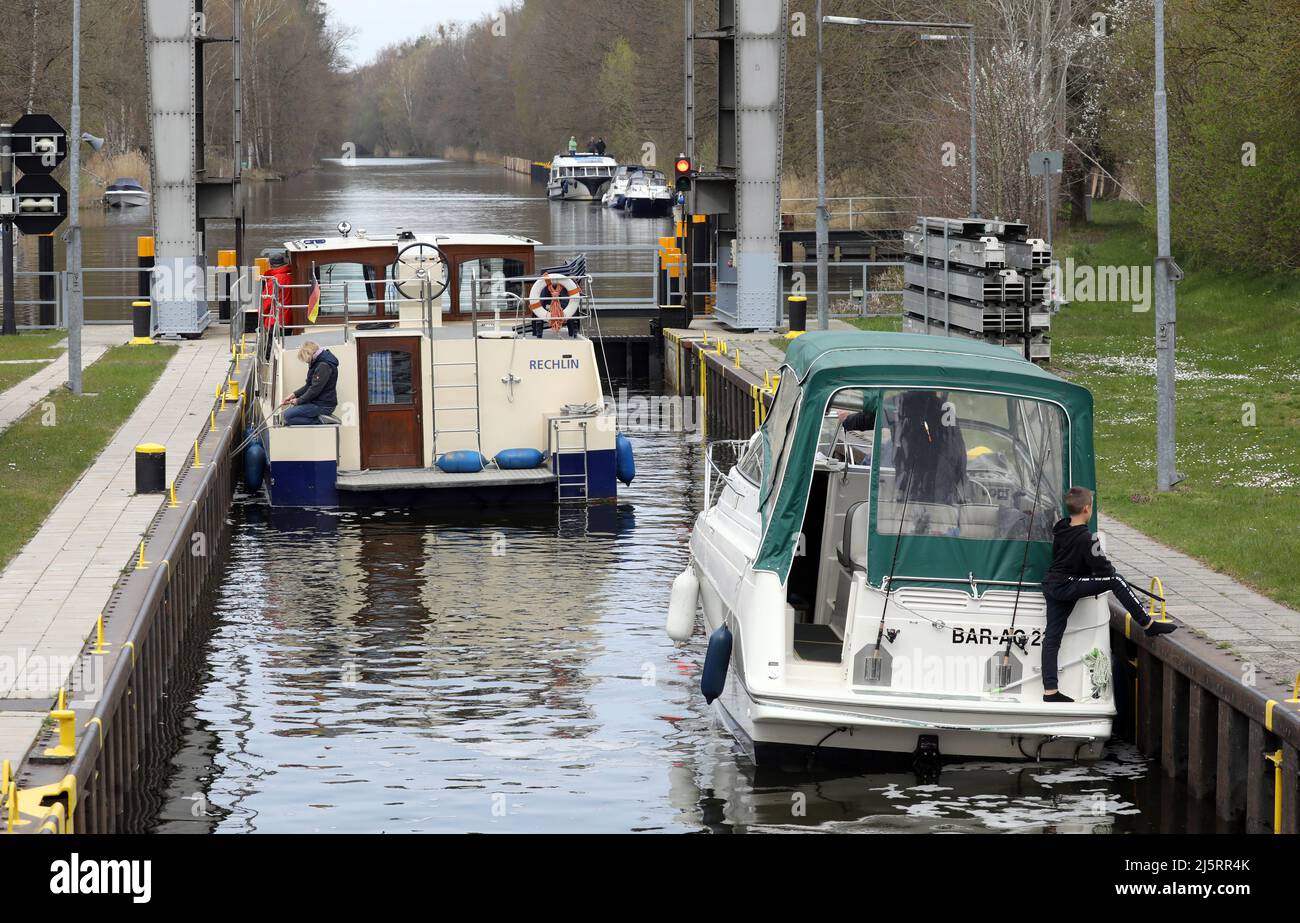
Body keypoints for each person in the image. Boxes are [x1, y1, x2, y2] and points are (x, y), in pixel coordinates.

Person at [1041, 486, 1177, 703]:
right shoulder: (1088, 538)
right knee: (1116, 580)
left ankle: (1050, 691)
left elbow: (1065, 557)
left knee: (1052, 638)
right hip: (1068, 585)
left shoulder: (1061, 528)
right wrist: (1107, 572)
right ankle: (1148, 625)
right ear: (1087, 509)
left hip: (1052, 585)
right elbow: (1104, 570)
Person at [281, 341, 339, 426]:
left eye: (307, 361)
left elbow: (314, 390)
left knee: (288, 416)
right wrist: (293, 395)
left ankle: (320, 421)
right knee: (289, 415)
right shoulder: (318, 361)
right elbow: (309, 385)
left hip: (324, 405)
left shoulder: (323, 365)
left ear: (309, 355)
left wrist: (298, 401)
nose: (307, 363)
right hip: (318, 402)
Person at [260, 252, 294, 354]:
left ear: (271, 265)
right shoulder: (291, 276)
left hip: (276, 319)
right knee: (285, 343)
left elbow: (266, 302)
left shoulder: (275, 279)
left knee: (271, 349)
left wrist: (261, 315)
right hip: (290, 318)